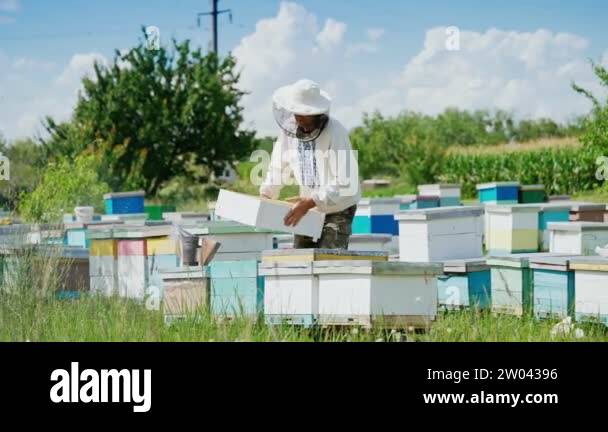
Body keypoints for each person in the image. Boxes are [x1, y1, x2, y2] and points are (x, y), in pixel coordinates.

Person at [260, 79, 361, 249]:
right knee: (301, 262)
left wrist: (310, 202)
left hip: (338, 208)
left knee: (327, 262)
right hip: (308, 207)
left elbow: (345, 181)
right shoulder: (288, 130)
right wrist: (267, 194)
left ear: (318, 114)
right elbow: (278, 166)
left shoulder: (336, 132)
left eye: (307, 120)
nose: (301, 124)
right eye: (298, 117)